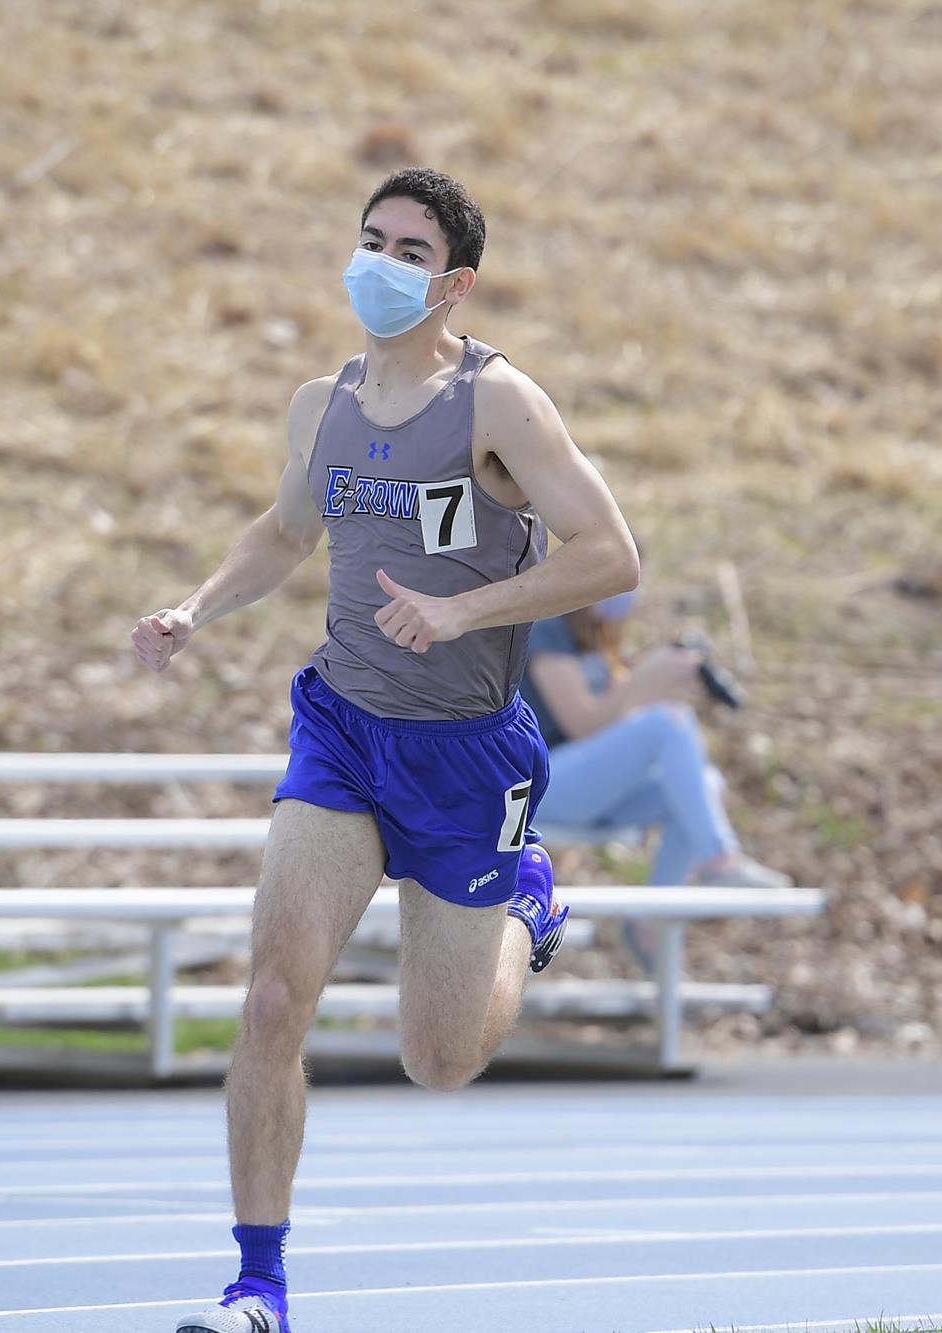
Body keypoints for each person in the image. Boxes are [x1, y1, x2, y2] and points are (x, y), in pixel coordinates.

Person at [132, 167, 639, 1333]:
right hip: (345, 729)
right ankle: (257, 1286)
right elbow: (284, 530)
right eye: (370, 239)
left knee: (437, 1059)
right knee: (273, 1000)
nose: (380, 263)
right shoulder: (322, 405)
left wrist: (464, 611)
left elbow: (611, 554)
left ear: (452, 285)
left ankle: (525, 907)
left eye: (409, 251)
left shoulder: (498, 403)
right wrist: (194, 609)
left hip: (466, 754)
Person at [520, 588, 793, 893]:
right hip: (542, 786)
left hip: (591, 790)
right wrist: (645, 676)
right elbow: (583, 725)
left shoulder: (598, 634)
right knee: (669, 721)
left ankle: (655, 916)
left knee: (705, 785)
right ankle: (720, 861)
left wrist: (658, 684)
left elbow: (617, 720)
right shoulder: (549, 627)